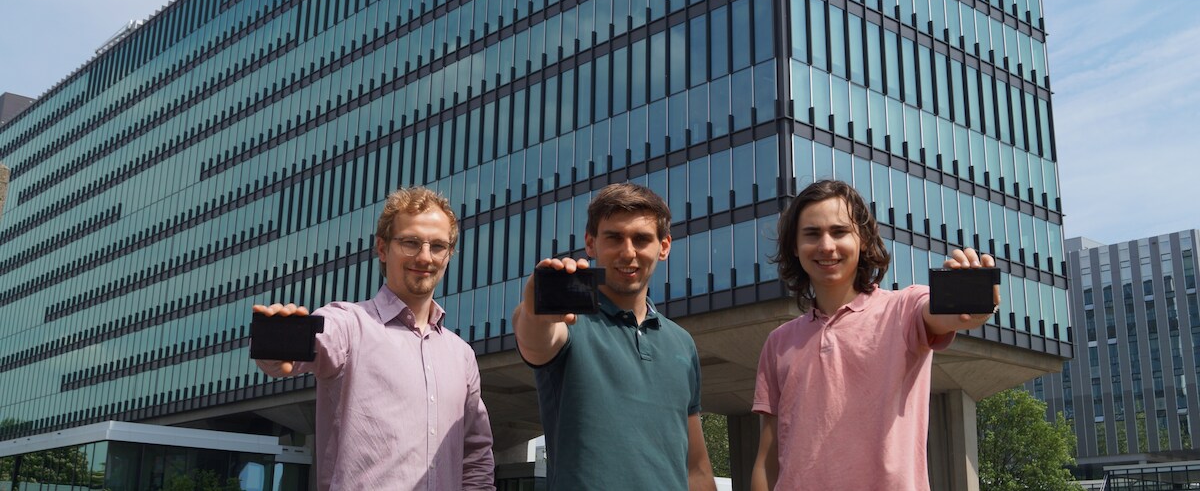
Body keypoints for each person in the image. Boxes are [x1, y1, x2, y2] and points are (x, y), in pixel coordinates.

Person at [750, 180, 999, 490]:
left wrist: (973, 304)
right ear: (794, 247)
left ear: (864, 240)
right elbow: (767, 458)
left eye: (839, 232)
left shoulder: (904, 309)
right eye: (812, 234)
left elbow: (948, 314)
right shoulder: (778, 342)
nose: (827, 246)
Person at [253, 187, 494, 490]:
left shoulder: (462, 356)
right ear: (382, 248)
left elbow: (475, 456)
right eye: (410, 242)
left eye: (437, 246)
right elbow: (313, 340)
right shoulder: (350, 325)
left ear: (449, 255)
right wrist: (278, 345)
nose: (424, 256)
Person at [511, 182, 717, 490]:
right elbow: (534, 335)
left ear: (664, 247)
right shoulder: (568, 322)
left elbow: (697, 468)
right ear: (591, 244)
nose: (628, 251)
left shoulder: (682, 343)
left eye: (642, 239)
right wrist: (536, 307)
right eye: (614, 237)